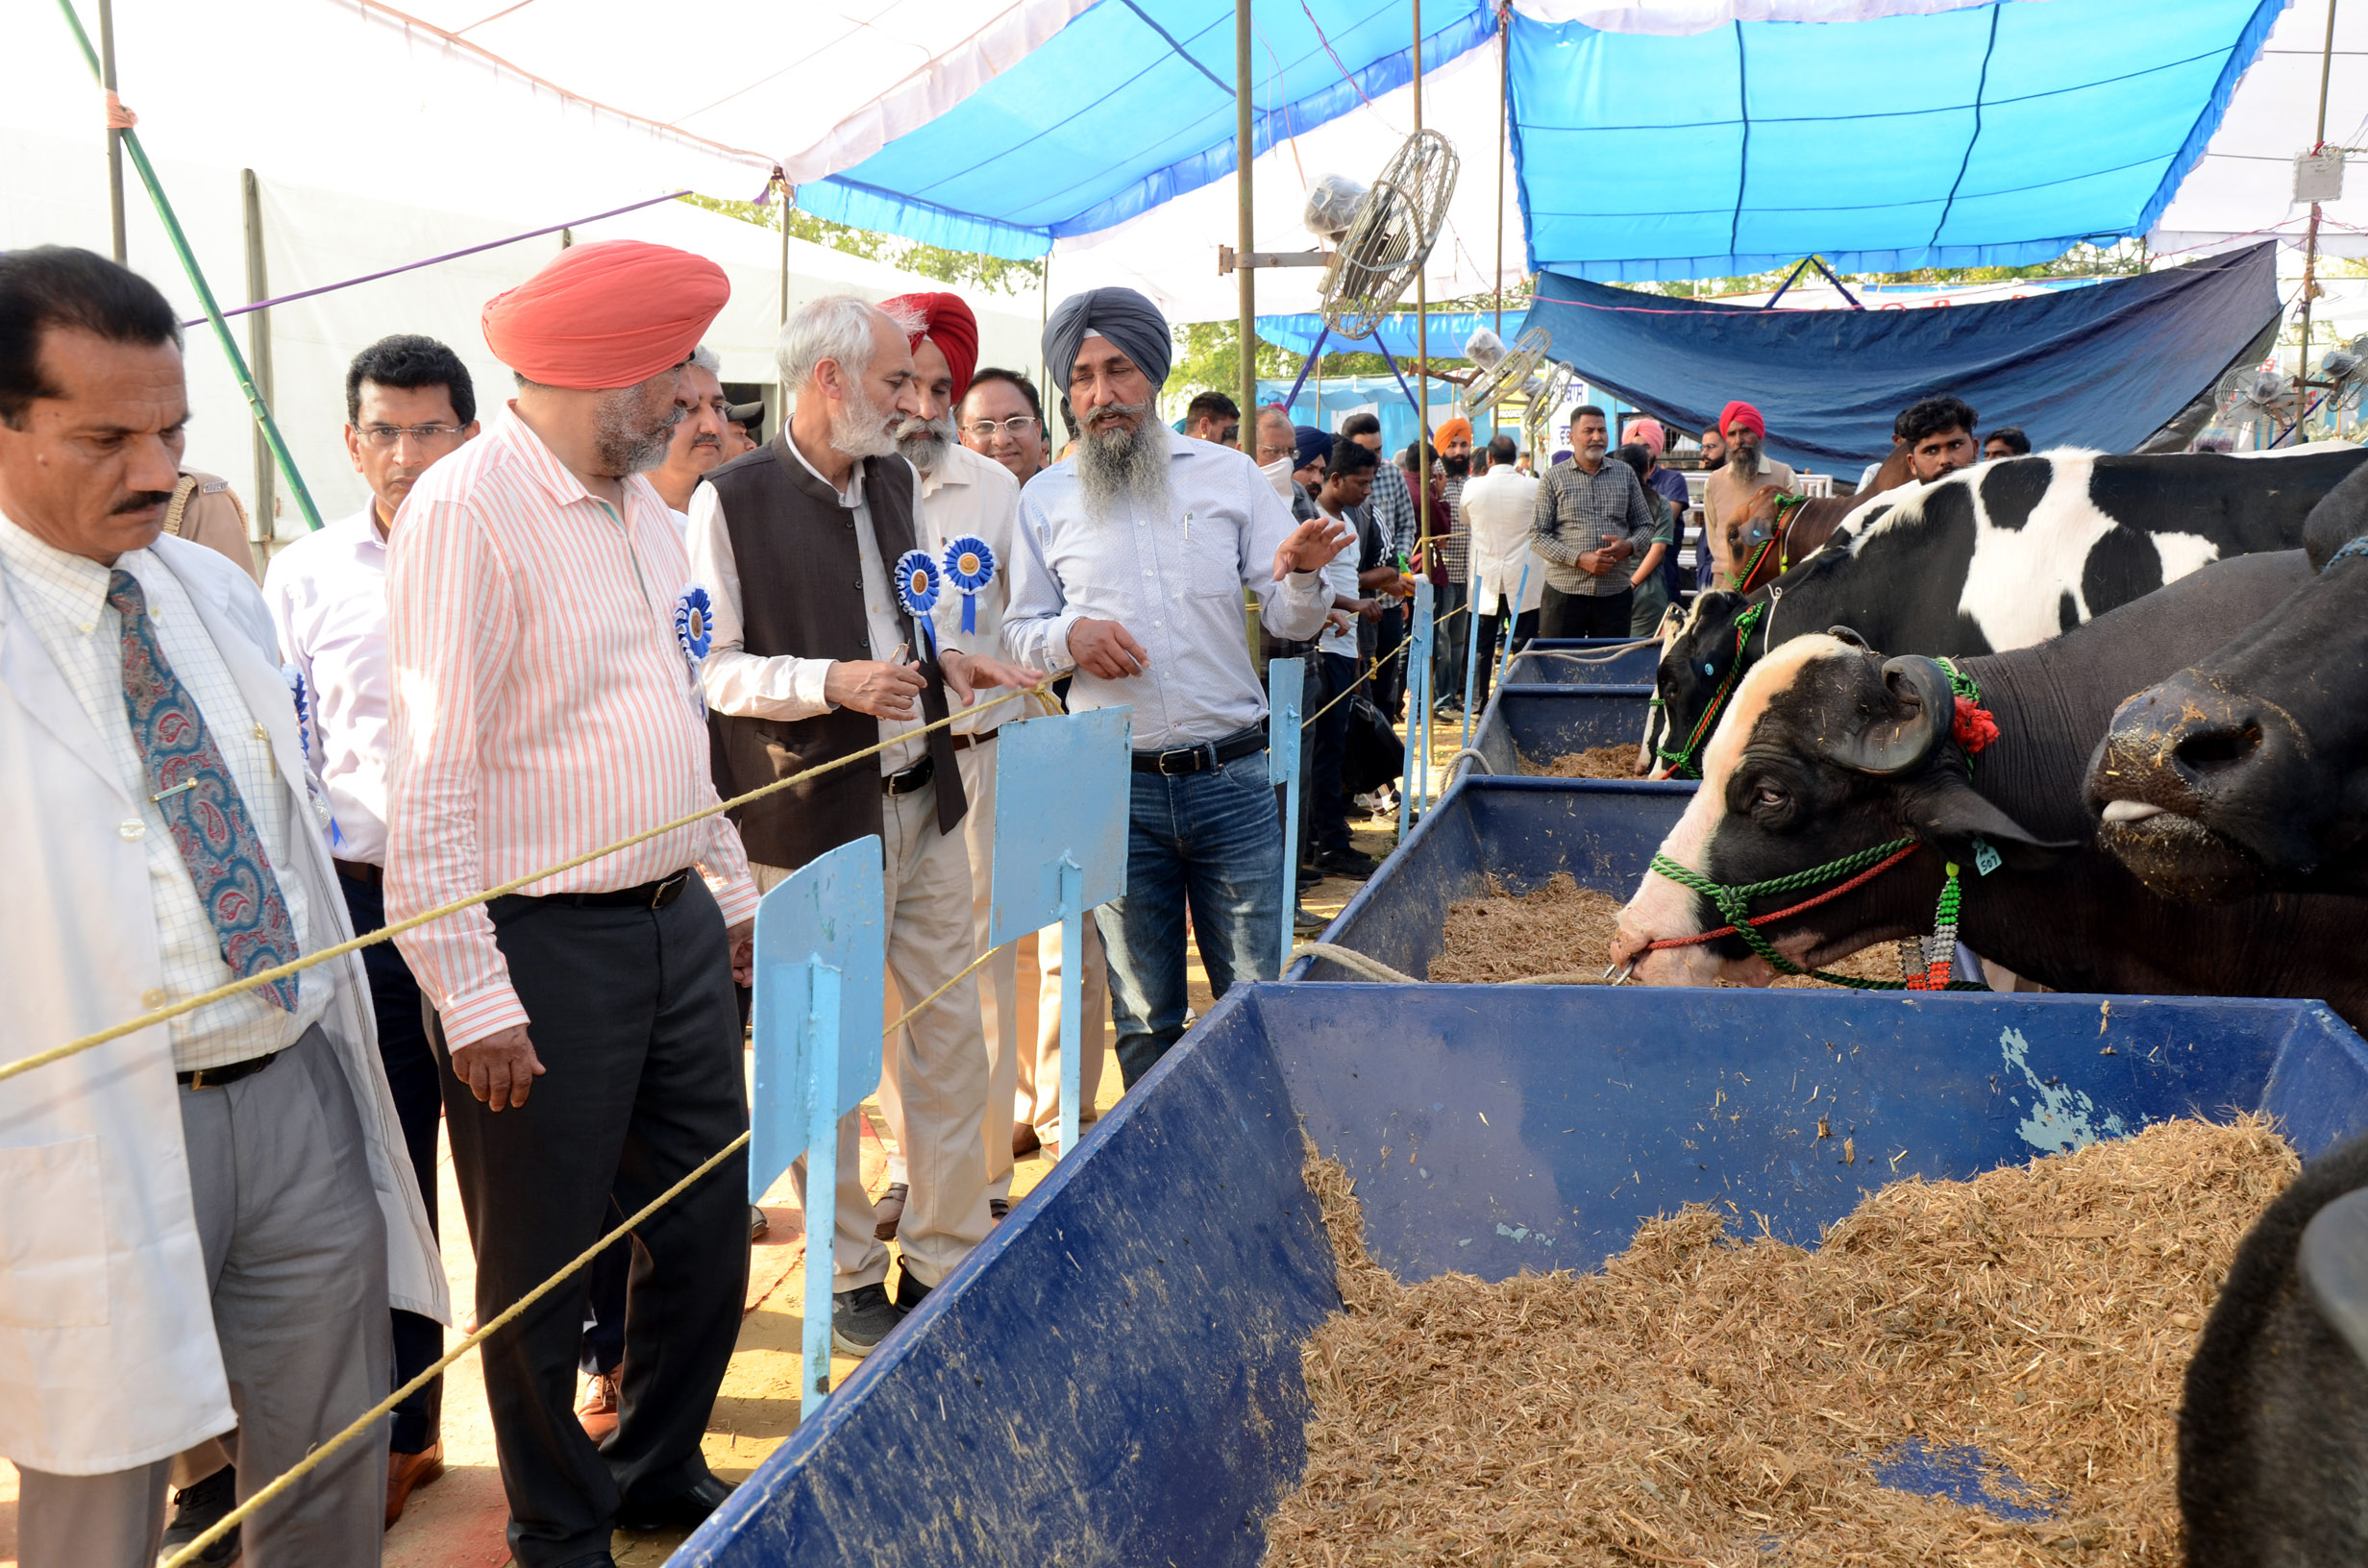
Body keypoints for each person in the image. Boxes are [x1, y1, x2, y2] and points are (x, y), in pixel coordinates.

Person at [0, 244, 444, 1568]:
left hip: (294, 1084)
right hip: (83, 1127)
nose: (156, 473)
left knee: (327, 1456)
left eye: (174, 432)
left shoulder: (211, 595)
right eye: (105, 438)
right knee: (100, 1497)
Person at [385, 239, 757, 1565]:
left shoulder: (645, 513)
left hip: (672, 923)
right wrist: (473, 996)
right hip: (538, 946)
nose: (688, 415)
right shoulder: (464, 510)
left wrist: (725, 885)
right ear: (605, 380)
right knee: (540, 1269)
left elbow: (668, 718)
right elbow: (425, 778)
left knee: (709, 1218)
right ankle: (558, 1524)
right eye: (672, 389)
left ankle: (655, 1466)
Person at [689, 294, 1027, 1354]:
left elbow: (908, 616)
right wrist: (828, 681)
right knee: (821, 1052)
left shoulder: (892, 480)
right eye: (894, 383)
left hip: (924, 794)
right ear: (828, 380)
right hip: (806, 816)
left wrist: (948, 666)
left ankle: (942, 1249)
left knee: (946, 1031)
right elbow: (712, 670)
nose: (914, 403)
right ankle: (840, 1268)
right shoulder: (726, 500)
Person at [1003, 286, 1350, 1086]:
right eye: (1082, 377)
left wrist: (1299, 577)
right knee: (1145, 1017)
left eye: (1118, 370)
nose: (1101, 395)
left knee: (1256, 1002)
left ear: (1153, 373)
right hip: (1118, 791)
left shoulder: (1230, 478)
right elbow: (1020, 632)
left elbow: (1295, 621)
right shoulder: (1045, 499)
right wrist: (1070, 638)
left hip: (1232, 779)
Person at [263, 331, 479, 1530]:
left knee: (532, 1162)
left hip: (505, 902)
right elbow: (288, 752)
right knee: (388, 1167)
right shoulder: (300, 576)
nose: (404, 454)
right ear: (351, 444)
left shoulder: (508, 552)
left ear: (470, 433)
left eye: (429, 428)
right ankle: (409, 1426)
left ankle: (588, 1375)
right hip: (363, 904)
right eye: (382, 432)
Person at [866, 291, 1038, 1227]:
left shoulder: (994, 488)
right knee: (898, 972)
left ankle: (980, 1174)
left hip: (976, 758)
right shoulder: (850, 485)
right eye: (907, 384)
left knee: (978, 964)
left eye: (941, 387)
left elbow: (1030, 614)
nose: (924, 408)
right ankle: (907, 1165)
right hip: (881, 769)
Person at [1302, 439, 1384, 876]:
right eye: (1360, 482)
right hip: (1325, 646)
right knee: (1325, 751)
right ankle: (1328, 844)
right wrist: (1353, 606)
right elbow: (1310, 586)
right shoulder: (1313, 521)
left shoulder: (1349, 517)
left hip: (1345, 646)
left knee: (1336, 745)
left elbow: (1345, 579)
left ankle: (1327, 834)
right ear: (1335, 480)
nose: (1367, 490)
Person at [1530, 404, 1655, 638]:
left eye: (1602, 430)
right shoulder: (1552, 478)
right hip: (1564, 592)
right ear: (1572, 436)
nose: (1597, 437)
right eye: (1588, 431)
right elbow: (1537, 535)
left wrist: (1628, 547)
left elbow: (1646, 526)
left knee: (1609, 665)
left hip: (1614, 592)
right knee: (1560, 665)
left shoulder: (1625, 474)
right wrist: (1579, 559)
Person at [1341, 411, 1415, 718]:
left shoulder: (1392, 473)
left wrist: (1399, 569)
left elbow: (1406, 525)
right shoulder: (1337, 489)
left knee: (1388, 673)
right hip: (1354, 600)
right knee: (1362, 678)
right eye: (1366, 451)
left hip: (1390, 595)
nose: (1373, 457)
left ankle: (1385, 738)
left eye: (1378, 450)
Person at [1464, 431, 1542, 712]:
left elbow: (1465, 518)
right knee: (1523, 643)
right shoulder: (1533, 485)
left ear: (1489, 457)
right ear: (1514, 456)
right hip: (1522, 575)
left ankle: (1476, 704)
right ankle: (1525, 698)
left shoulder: (1472, 487)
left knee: (1481, 645)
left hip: (1485, 575)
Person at [1701, 401, 1797, 588]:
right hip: (1726, 584)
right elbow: (1714, 539)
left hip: (1773, 585)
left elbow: (1796, 533)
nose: (1738, 440)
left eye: (1745, 431)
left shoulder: (1785, 476)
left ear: (1758, 434)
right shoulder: (1714, 482)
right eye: (1732, 434)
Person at [646, 343, 730, 519]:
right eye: (690, 408)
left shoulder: (742, 512)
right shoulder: (610, 511)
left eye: (717, 407)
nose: (713, 426)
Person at [1614, 442, 1681, 636]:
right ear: (1649, 469)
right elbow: (1658, 550)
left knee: (1608, 650)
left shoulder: (1608, 501)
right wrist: (1632, 585)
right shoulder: (1660, 502)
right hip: (1647, 592)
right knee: (1642, 652)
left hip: (1609, 587)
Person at [1431, 417, 1473, 715]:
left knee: (1458, 639)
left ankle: (1453, 697)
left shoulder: (1473, 483)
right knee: (1441, 639)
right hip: (1442, 571)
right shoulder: (1434, 480)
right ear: (1442, 449)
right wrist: (1440, 493)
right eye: (1453, 445)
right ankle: (1440, 700)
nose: (1458, 452)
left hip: (1467, 573)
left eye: (1463, 445)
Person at [959, 366, 1049, 484]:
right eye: (984, 426)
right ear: (963, 440)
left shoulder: (1072, 499)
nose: (1001, 440)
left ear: (1038, 430)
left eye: (1015, 422)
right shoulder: (945, 501)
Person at [1899, 394, 1981, 482]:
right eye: (1931, 451)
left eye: (1955, 446)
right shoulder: (1898, 496)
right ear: (1913, 464)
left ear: (1975, 448)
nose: (1945, 460)